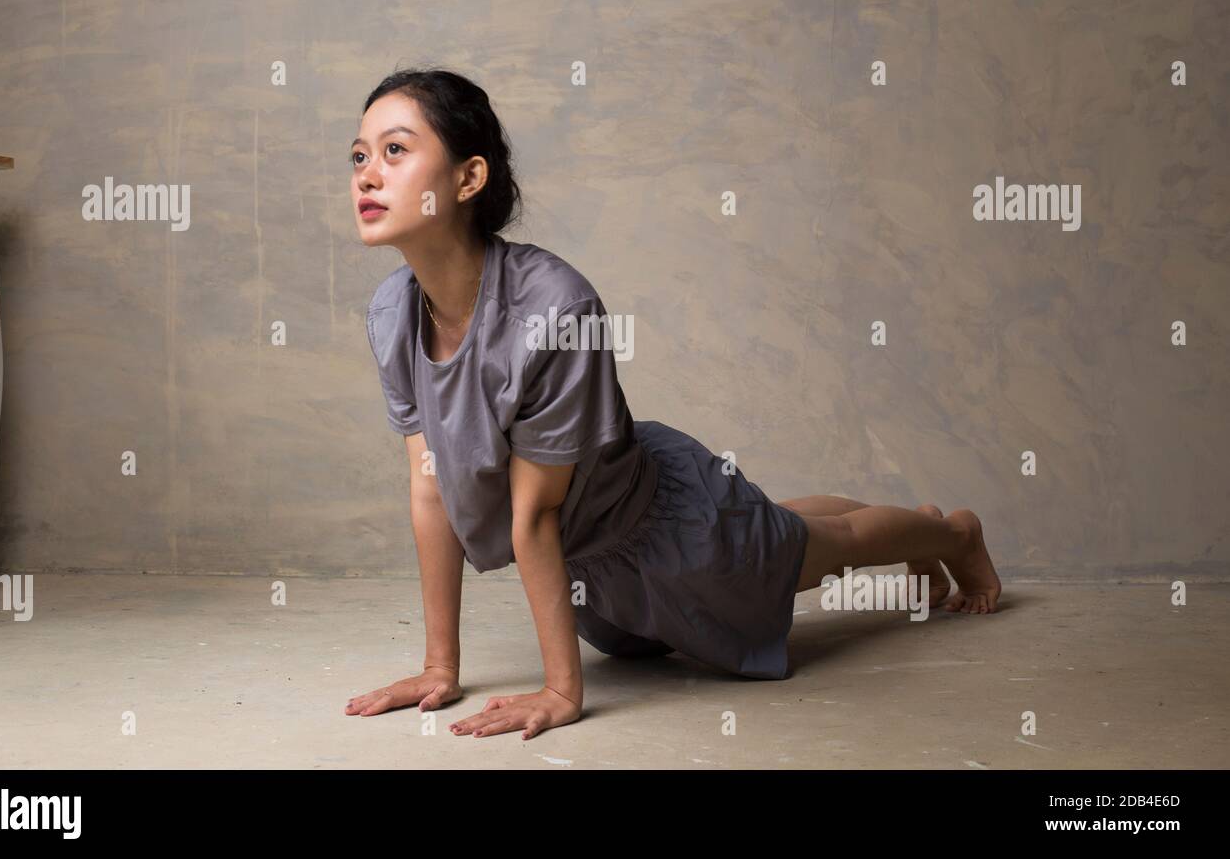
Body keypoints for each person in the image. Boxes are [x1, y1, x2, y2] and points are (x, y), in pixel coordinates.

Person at [343, 67, 1001, 740]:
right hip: (591, 565)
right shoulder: (392, 313)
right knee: (779, 526)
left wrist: (561, 690)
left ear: (467, 178)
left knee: (828, 545)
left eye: (396, 150)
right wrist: (438, 668)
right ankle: (914, 527)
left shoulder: (554, 307)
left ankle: (950, 534)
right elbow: (431, 492)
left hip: (675, 537)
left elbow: (534, 511)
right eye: (359, 155)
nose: (367, 174)